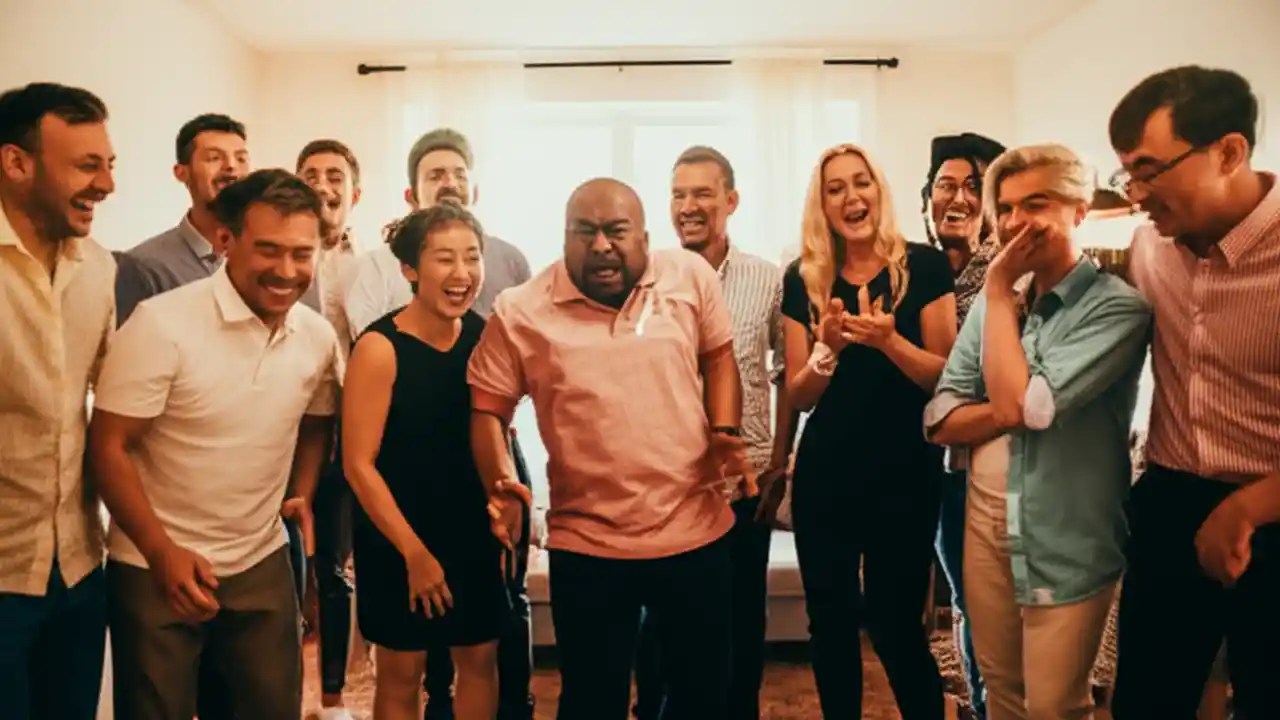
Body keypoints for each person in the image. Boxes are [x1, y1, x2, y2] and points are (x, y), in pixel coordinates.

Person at [468, 177, 755, 720]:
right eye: (586, 232)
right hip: (589, 543)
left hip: (694, 530)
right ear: (564, 238)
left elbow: (718, 357)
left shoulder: (689, 276)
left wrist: (724, 432)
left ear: (645, 237)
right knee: (591, 701)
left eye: (617, 231)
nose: (601, 245)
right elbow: (488, 407)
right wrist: (501, 483)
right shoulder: (521, 310)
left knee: (704, 694)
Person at [88, 169, 341, 720]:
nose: (286, 271)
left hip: (260, 559)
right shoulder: (161, 324)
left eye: (302, 254)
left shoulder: (317, 336)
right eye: (268, 250)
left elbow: (318, 420)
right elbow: (108, 446)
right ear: (227, 241)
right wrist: (161, 552)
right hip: (154, 562)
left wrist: (300, 490)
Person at [925, 143, 1151, 720]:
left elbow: (1034, 406)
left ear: (1079, 211)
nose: (1016, 221)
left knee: (1054, 707)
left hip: (1066, 537)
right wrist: (1005, 407)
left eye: (1038, 203)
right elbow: (941, 415)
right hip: (984, 526)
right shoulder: (993, 307)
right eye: (1006, 207)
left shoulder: (1118, 309)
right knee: (1001, 693)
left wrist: (997, 288)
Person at [1107, 65, 1280, 720]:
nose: (1136, 192)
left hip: (1273, 503)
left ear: (1229, 152)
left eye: (1150, 170)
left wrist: (1245, 511)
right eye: (1127, 172)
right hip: (1170, 504)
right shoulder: (1148, 247)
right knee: (1146, 704)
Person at [346, 127, 534, 720]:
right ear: (409, 269)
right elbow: (357, 464)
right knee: (402, 672)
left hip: (469, 524)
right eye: (444, 258)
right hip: (397, 531)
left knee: (480, 660)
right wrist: (414, 554)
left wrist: (507, 499)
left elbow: (498, 431)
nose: (462, 272)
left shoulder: (488, 336)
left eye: (472, 257)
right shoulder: (380, 347)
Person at [781, 143, 954, 719]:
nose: (851, 197)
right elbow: (800, 396)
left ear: (879, 190)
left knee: (896, 621)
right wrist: (827, 347)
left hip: (906, 472)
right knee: (829, 621)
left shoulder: (926, 266)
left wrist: (888, 341)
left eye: (862, 183)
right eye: (836, 188)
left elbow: (946, 379)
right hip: (826, 473)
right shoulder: (802, 279)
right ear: (822, 204)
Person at [634, 146, 797, 720]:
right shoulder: (646, 278)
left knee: (740, 621)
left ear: (731, 200)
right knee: (660, 623)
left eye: (702, 193)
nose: (688, 207)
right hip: (667, 483)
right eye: (678, 195)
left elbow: (787, 375)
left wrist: (780, 459)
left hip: (743, 481)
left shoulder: (767, 279)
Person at [0, 81, 116, 720]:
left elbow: (114, 403)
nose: (106, 184)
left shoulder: (99, 268)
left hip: (77, 568)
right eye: (86, 165)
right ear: (16, 163)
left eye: (109, 164)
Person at [919, 130, 1006, 720]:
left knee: (983, 600)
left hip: (981, 465)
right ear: (926, 195)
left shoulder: (1006, 274)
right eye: (946, 184)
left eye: (973, 186)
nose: (958, 197)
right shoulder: (911, 269)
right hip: (914, 461)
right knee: (954, 597)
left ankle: (985, 705)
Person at [296, 138, 364, 720]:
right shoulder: (280, 255)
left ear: (354, 191)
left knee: (335, 571)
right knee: (284, 566)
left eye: (334, 174)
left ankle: (334, 698)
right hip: (282, 433)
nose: (323, 183)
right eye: (311, 173)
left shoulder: (369, 266)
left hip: (347, 433)